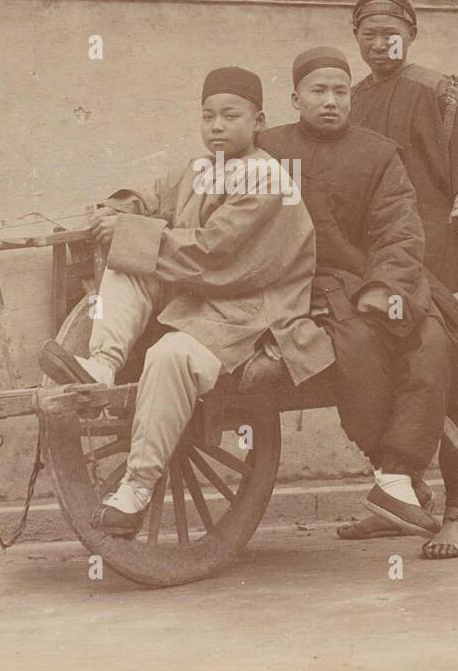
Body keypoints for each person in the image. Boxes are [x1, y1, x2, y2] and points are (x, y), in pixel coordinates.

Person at [37, 66, 333, 536]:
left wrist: (130, 233)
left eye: (230, 116)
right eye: (208, 116)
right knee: (126, 258)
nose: (216, 126)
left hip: (253, 313)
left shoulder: (267, 179)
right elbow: (149, 197)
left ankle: (136, 488)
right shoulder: (199, 170)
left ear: (258, 121)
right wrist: (119, 211)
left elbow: (219, 251)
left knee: (169, 355)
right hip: (206, 296)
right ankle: (102, 364)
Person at [257, 47, 458, 538]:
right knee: (358, 344)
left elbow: (400, 230)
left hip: (379, 278)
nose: (329, 101)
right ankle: (392, 474)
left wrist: (385, 288)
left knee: (431, 339)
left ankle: (397, 475)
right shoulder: (266, 148)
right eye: (317, 91)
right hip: (308, 283)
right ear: (295, 97)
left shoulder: (378, 153)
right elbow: (204, 182)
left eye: (338, 92)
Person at [346, 0, 458, 559]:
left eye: (391, 33)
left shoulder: (438, 93)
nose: (381, 44)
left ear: (411, 35)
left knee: (455, 385)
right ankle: (403, 497)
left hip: (443, 263)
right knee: (383, 379)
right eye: (369, 35)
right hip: (382, 265)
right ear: (357, 41)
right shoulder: (352, 100)